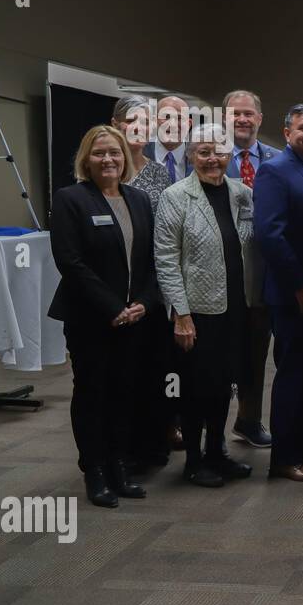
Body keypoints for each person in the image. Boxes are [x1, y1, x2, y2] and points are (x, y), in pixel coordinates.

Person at [49, 125, 157, 507]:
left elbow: (150, 262)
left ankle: (119, 465)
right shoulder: (70, 199)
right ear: (86, 160)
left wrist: (144, 301)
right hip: (90, 318)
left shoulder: (140, 199)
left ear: (125, 158)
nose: (108, 159)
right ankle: (94, 471)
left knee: (125, 392)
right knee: (93, 393)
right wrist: (113, 308)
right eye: (99, 154)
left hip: (135, 317)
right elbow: (70, 262)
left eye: (114, 153)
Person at [154, 124, 255, 487]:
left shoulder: (242, 192)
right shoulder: (175, 196)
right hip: (196, 312)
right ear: (191, 156)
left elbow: (245, 245)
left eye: (219, 151)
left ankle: (218, 451)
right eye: (203, 151)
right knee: (197, 387)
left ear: (229, 155)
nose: (212, 158)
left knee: (224, 384)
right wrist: (181, 314)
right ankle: (194, 461)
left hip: (234, 308)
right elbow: (166, 258)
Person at [253, 103, 303, 483]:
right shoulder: (275, 170)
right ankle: (285, 458)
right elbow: (270, 234)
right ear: (287, 133)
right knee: (294, 377)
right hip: (294, 295)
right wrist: (300, 284)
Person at [111, 96, 175, 473]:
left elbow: (164, 236)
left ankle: (152, 443)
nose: (139, 128)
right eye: (132, 121)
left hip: (152, 287)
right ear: (117, 124)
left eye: (145, 122)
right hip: (113, 288)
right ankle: (117, 450)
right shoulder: (103, 168)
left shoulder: (159, 174)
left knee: (154, 371)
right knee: (117, 376)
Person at [222, 89, 280, 450]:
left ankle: (248, 419)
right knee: (216, 352)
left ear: (260, 118)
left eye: (248, 114)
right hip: (221, 270)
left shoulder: (275, 160)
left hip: (262, 270)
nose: (242, 119)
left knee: (257, 350)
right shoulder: (210, 157)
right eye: (234, 114)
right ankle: (204, 426)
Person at [146, 95, 193, 183]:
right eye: (166, 117)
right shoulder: (140, 153)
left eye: (179, 118)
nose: (173, 124)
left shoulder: (198, 156)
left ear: (189, 124)